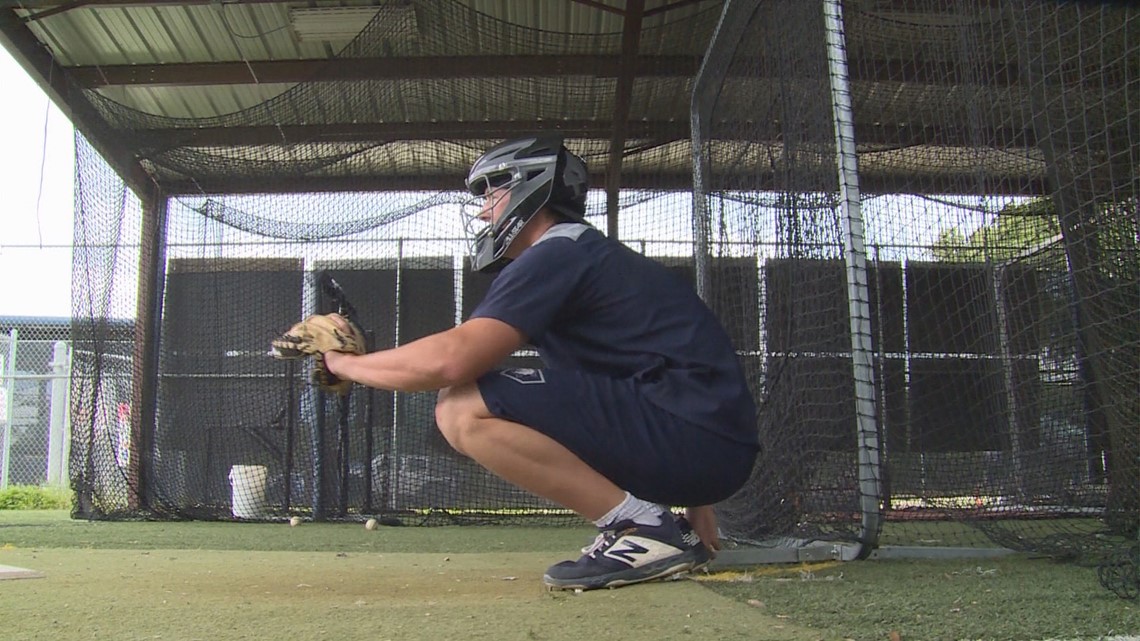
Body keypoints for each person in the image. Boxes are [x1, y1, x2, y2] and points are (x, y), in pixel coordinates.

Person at [321, 134, 760, 590]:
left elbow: (451, 362)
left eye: (492, 191)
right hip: (707, 445)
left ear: (531, 186)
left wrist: (342, 364)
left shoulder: (557, 251)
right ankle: (660, 529)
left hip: (695, 437)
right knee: (494, 394)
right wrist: (697, 501)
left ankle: (641, 528)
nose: (483, 209)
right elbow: (664, 367)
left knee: (461, 403)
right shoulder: (582, 252)